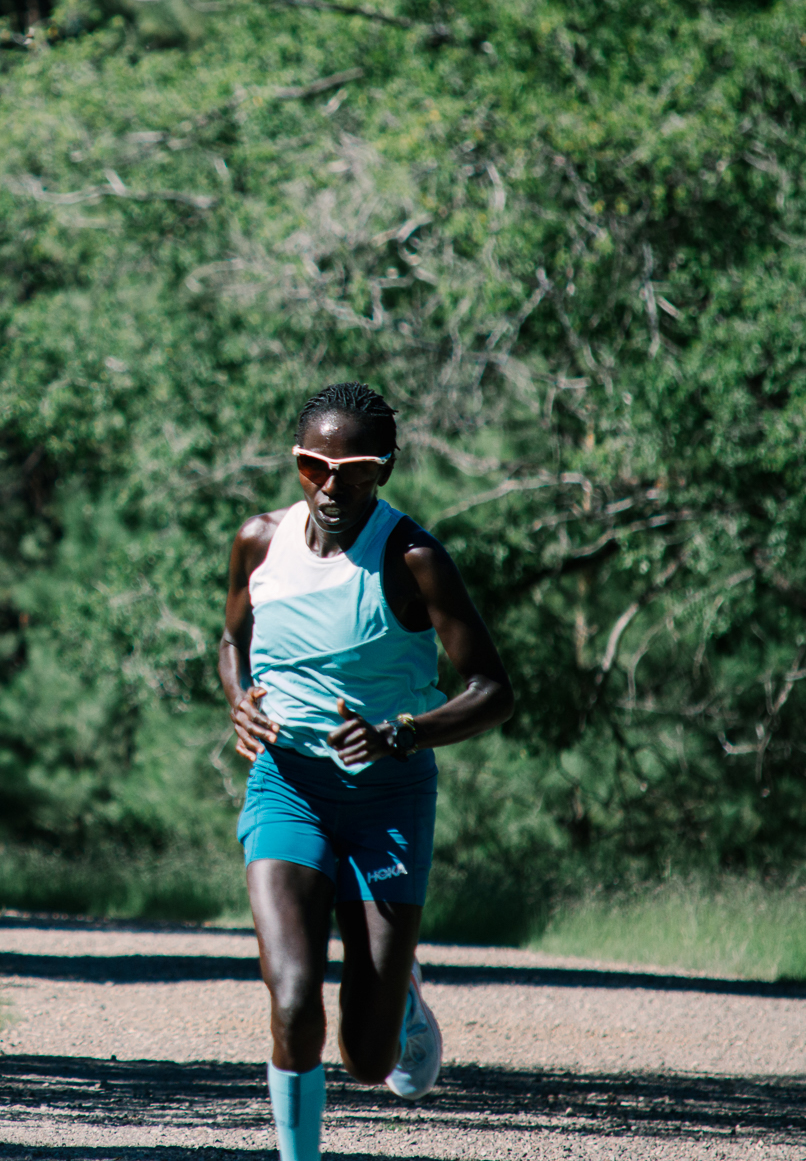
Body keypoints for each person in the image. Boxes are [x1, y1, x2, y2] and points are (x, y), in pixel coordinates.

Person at [219, 381, 513, 1161]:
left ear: (383, 468)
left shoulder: (412, 559)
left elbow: (493, 690)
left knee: (369, 1058)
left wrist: (401, 733)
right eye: (314, 465)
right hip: (288, 787)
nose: (330, 485)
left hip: (388, 799)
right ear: (296, 461)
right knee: (291, 998)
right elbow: (231, 642)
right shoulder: (258, 540)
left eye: (352, 468)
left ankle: (403, 996)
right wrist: (239, 702)